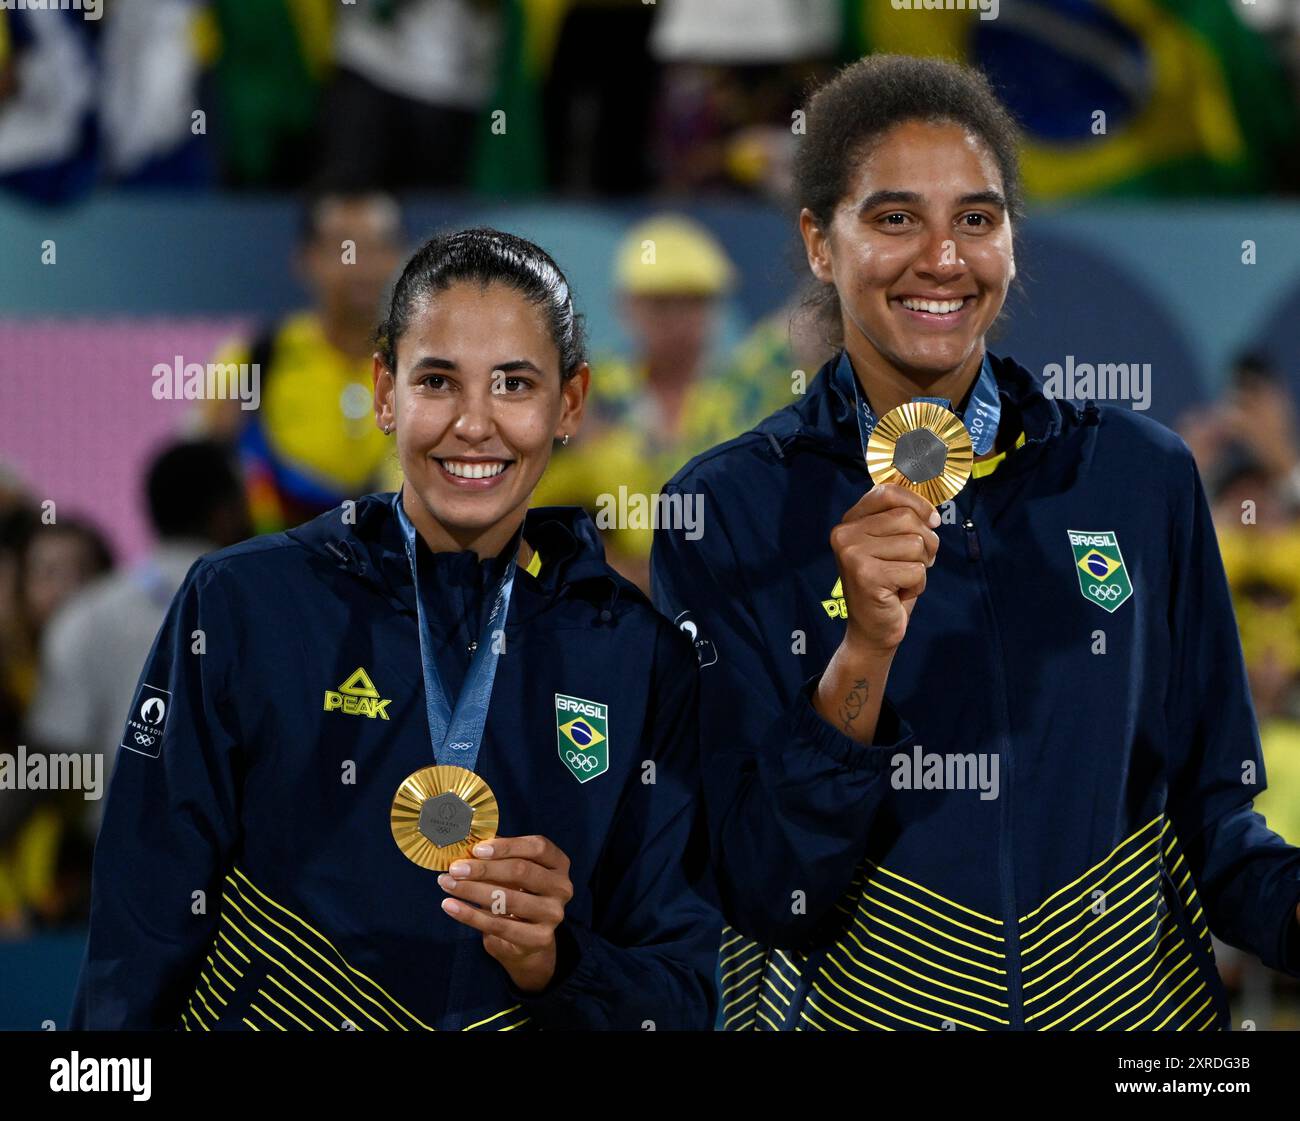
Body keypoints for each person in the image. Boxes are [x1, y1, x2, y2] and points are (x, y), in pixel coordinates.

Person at [652, 54, 1300, 1032]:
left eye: (977, 219)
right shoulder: (729, 509)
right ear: (819, 244)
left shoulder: (1137, 474)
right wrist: (860, 657)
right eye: (894, 217)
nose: (943, 258)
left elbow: (1215, 823)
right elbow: (765, 887)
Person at [70, 227, 717, 1031]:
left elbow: (681, 1000)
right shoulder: (243, 603)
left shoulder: (637, 656)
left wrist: (562, 961)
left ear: (571, 404)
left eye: (515, 384)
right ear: (385, 391)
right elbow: (142, 920)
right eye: (438, 380)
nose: (475, 423)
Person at [26, 439, 251, 835]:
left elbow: (51, 756)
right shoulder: (264, 612)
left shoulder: (88, 615)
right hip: (239, 872)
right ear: (225, 513)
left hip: (114, 857)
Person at [196, 192, 405, 535]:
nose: (361, 265)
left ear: (399, 257)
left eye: (378, 247)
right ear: (305, 259)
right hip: (272, 571)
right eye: (344, 248)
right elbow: (203, 487)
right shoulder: (250, 362)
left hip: (391, 574)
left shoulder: (425, 367)